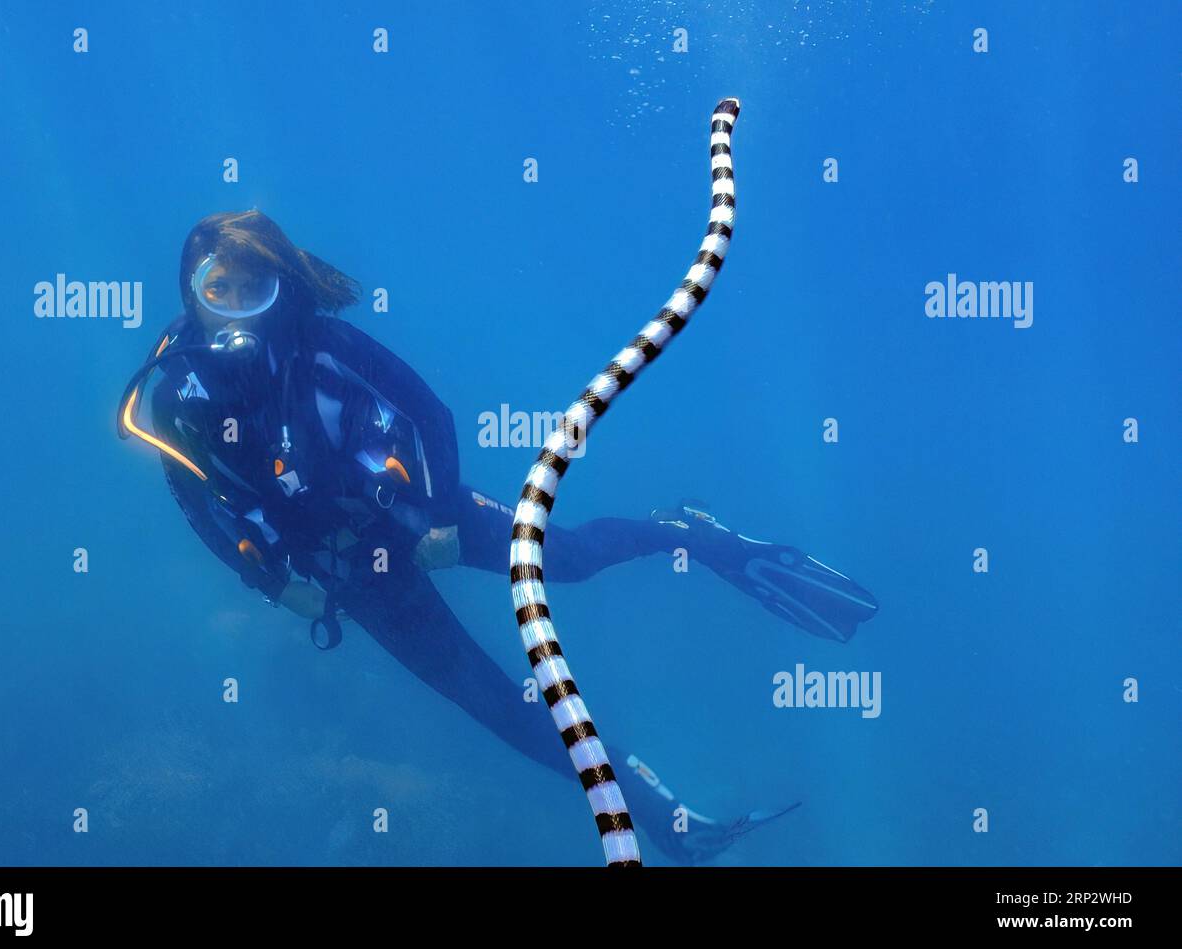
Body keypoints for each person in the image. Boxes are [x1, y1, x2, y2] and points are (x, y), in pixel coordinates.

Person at [118, 210, 879, 863]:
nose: (240, 312)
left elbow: (433, 418)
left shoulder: (327, 348)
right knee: (497, 707)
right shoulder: (174, 393)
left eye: (257, 288)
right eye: (221, 291)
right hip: (351, 573)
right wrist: (273, 581)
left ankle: (687, 533)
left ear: (285, 286)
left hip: (425, 520)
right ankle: (653, 811)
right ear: (193, 295)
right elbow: (193, 496)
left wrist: (434, 519)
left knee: (570, 559)